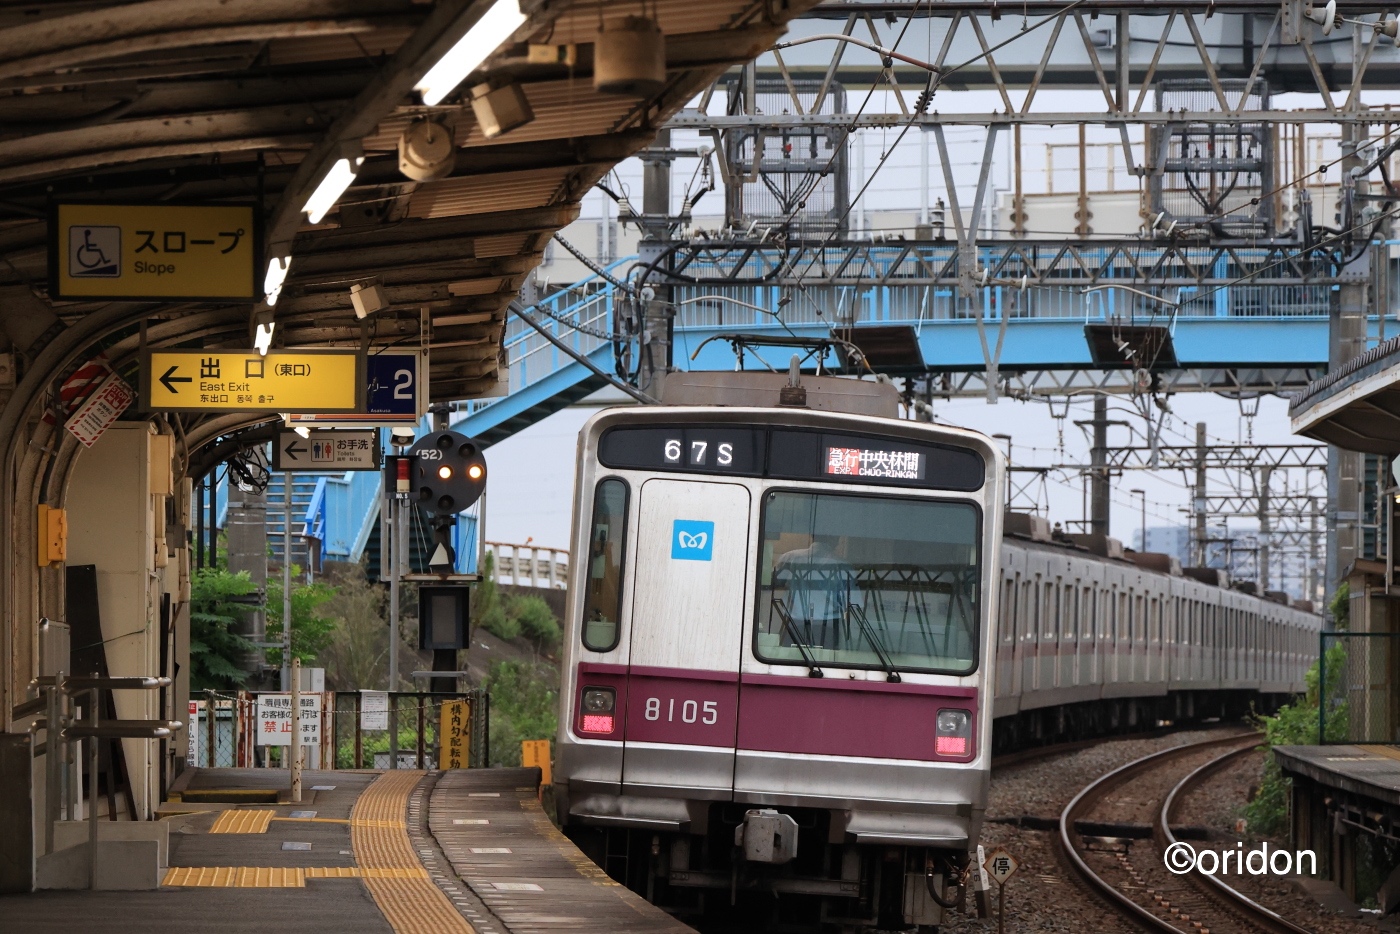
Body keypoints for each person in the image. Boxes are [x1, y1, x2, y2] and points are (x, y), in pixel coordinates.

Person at [772, 536, 854, 649]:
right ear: (836, 540)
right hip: (828, 627)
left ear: (812, 536)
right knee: (827, 663)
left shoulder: (789, 557)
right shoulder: (843, 564)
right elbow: (852, 602)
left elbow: (772, 583)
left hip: (793, 624)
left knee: (788, 662)